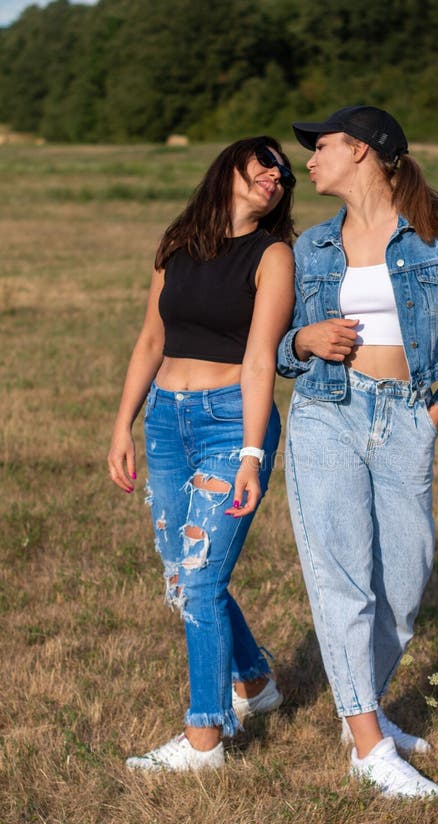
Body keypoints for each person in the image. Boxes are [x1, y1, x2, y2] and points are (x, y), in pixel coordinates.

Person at [278, 106, 438, 799]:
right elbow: (279, 347)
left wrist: (433, 414)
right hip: (326, 414)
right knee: (342, 580)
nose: (310, 160)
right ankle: (369, 745)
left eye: (323, 146)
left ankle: (362, 710)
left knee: (403, 586)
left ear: (366, 153)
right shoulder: (311, 247)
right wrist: (304, 342)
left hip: (405, 417)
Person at [108, 137, 296, 772]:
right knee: (180, 580)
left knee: (201, 579)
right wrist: (122, 425)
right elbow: (150, 338)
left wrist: (249, 452)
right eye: (265, 160)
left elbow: (261, 357)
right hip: (165, 420)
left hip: (228, 425)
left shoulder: (273, 255)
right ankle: (255, 684)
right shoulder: (176, 243)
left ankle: (205, 740)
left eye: (284, 171)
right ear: (231, 167)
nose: (276, 173)